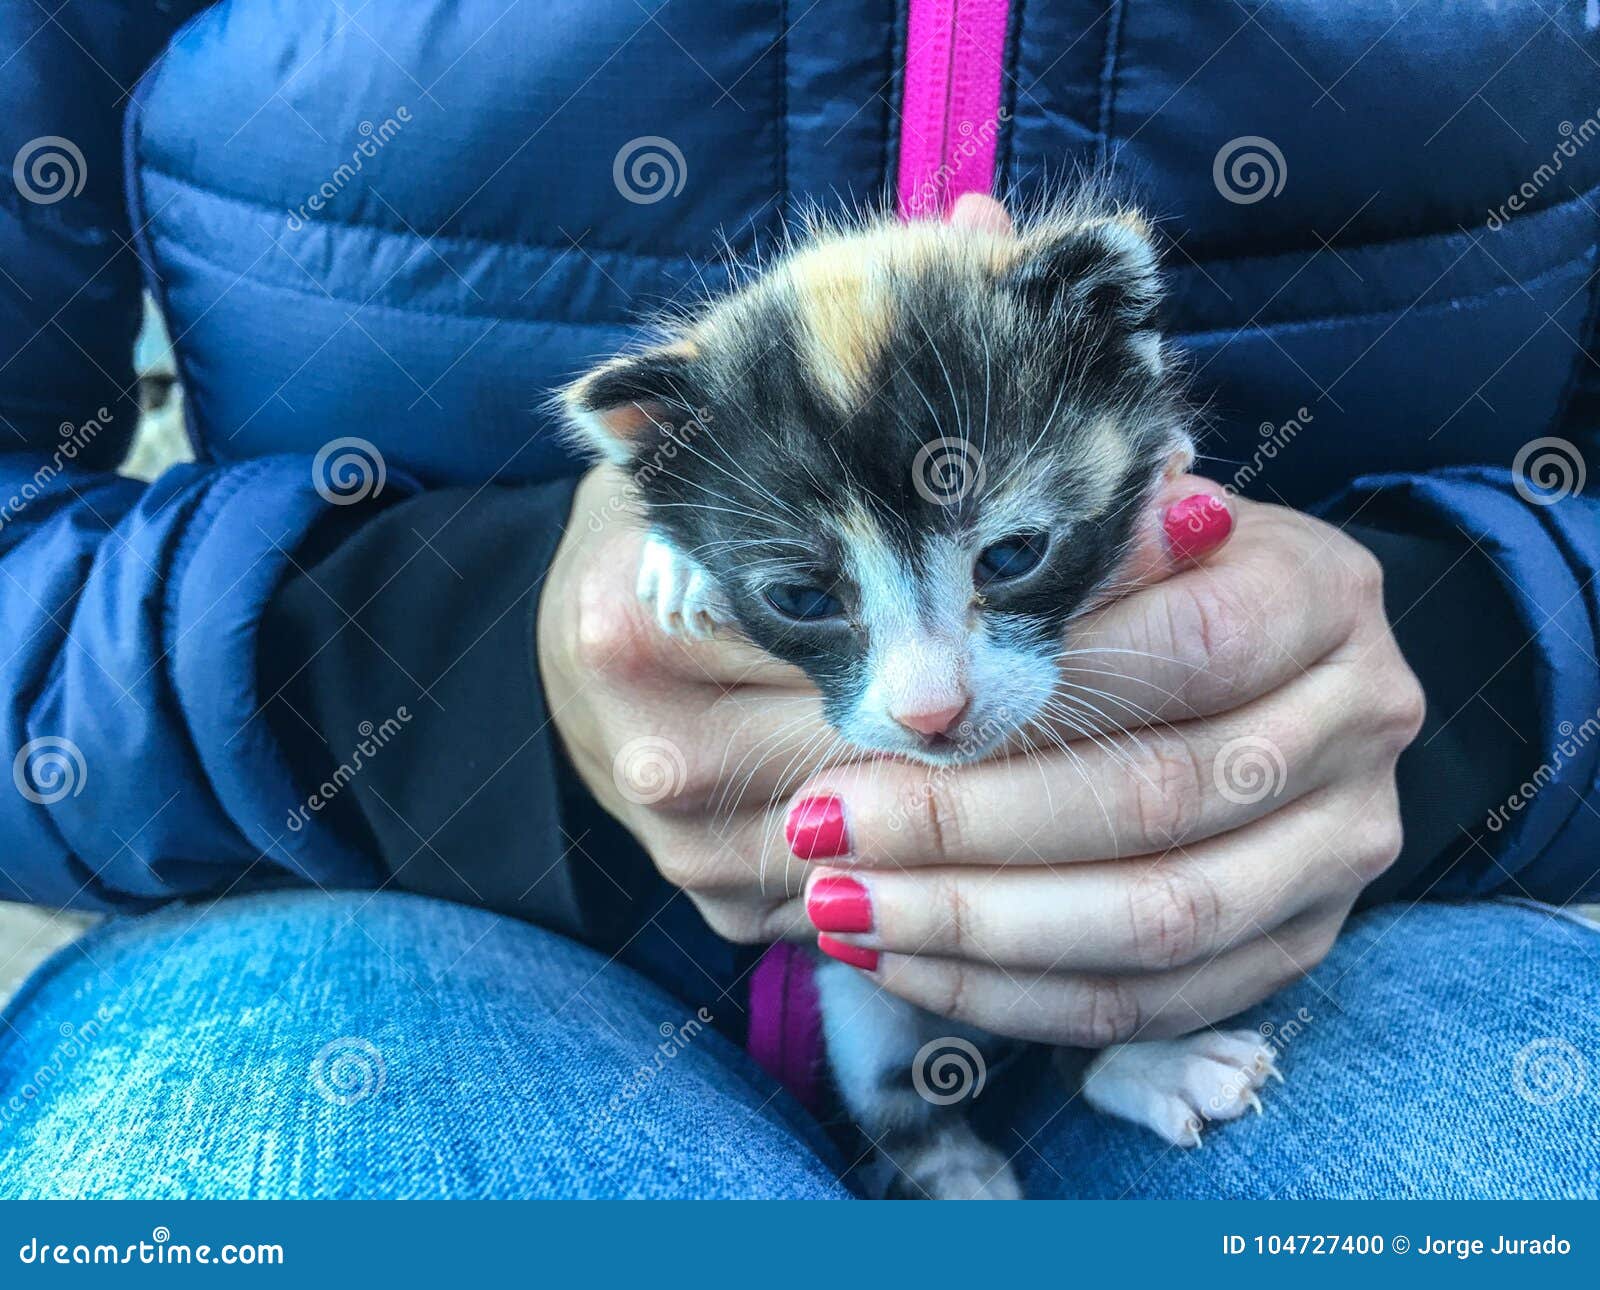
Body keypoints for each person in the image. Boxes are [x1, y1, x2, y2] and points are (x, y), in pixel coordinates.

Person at [0, 1, 1595, 1199]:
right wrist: (435, 679)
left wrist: (1469, 670)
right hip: (402, 912)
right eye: (805, 598)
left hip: (1355, 921)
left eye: (1012, 558)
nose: (928, 702)